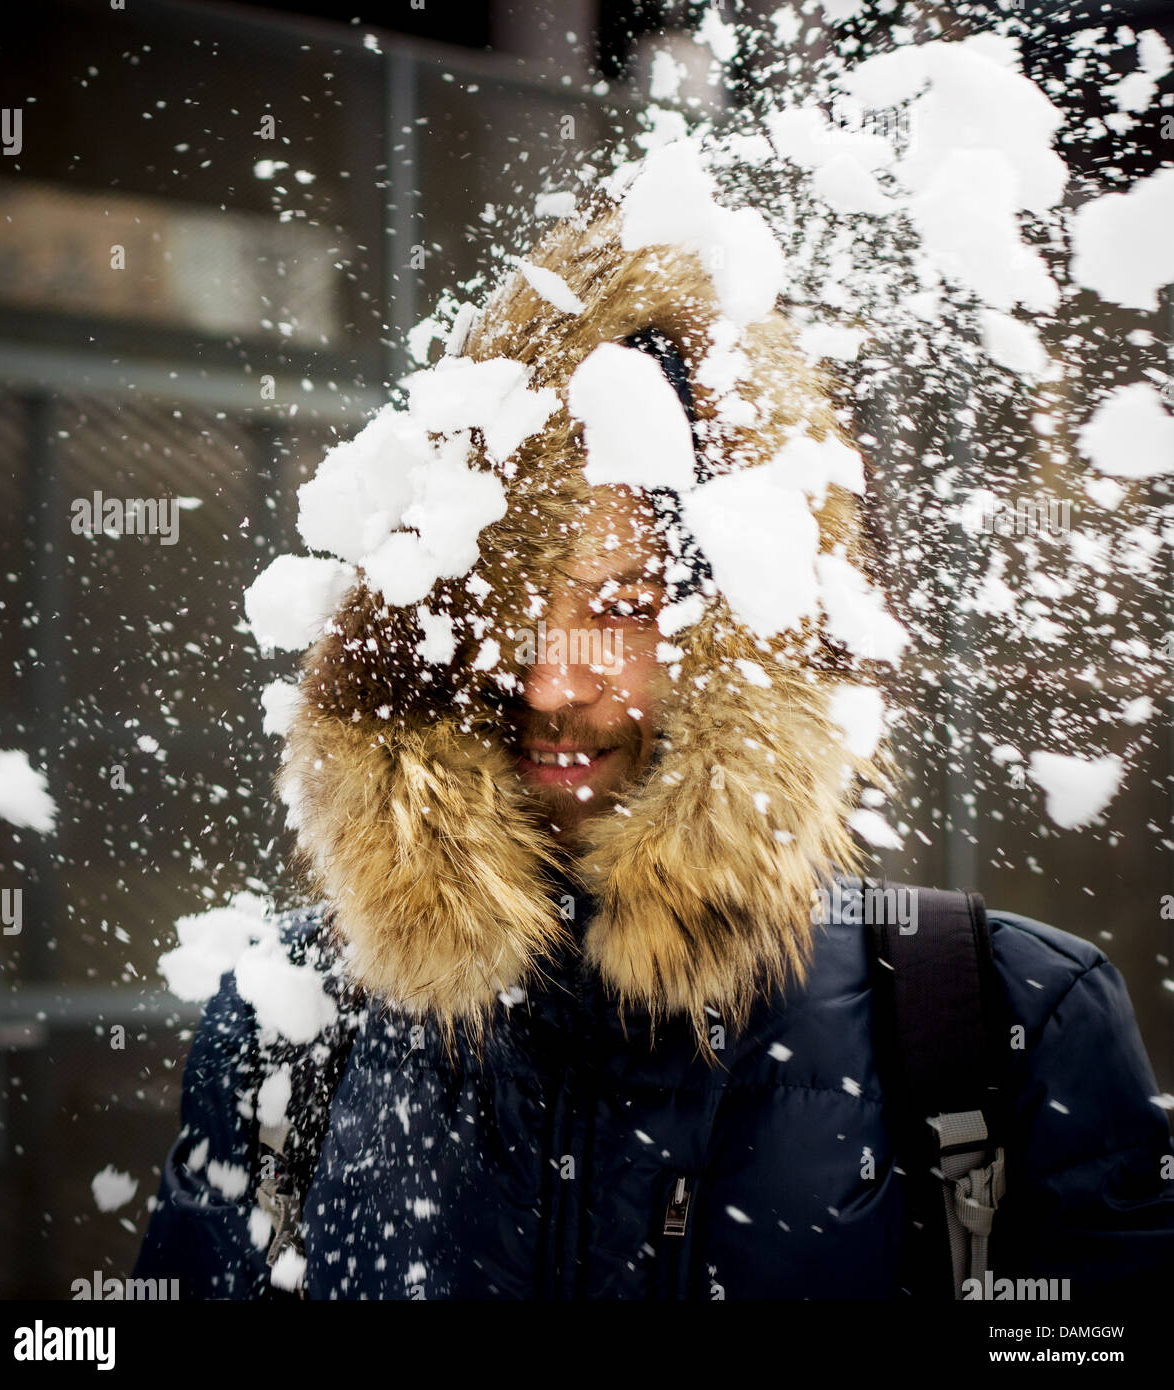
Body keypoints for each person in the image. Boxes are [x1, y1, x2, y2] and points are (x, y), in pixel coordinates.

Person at [134, 197, 1174, 1300]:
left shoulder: (999, 1024)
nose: (547, 678)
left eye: (621, 606)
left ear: (744, 647)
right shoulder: (292, 1022)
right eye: (506, 604)